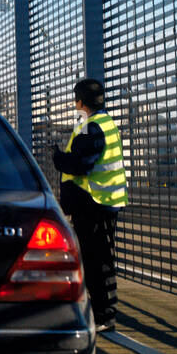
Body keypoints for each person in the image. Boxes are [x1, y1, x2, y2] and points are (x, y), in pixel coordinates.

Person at [51, 78, 127, 332]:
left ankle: (104, 315)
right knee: (96, 258)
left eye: (76, 100)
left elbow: (81, 163)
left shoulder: (91, 126)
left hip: (95, 203)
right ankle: (101, 312)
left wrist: (59, 158)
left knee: (97, 260)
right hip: (102, 201)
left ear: (81, 101)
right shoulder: (103, 123)